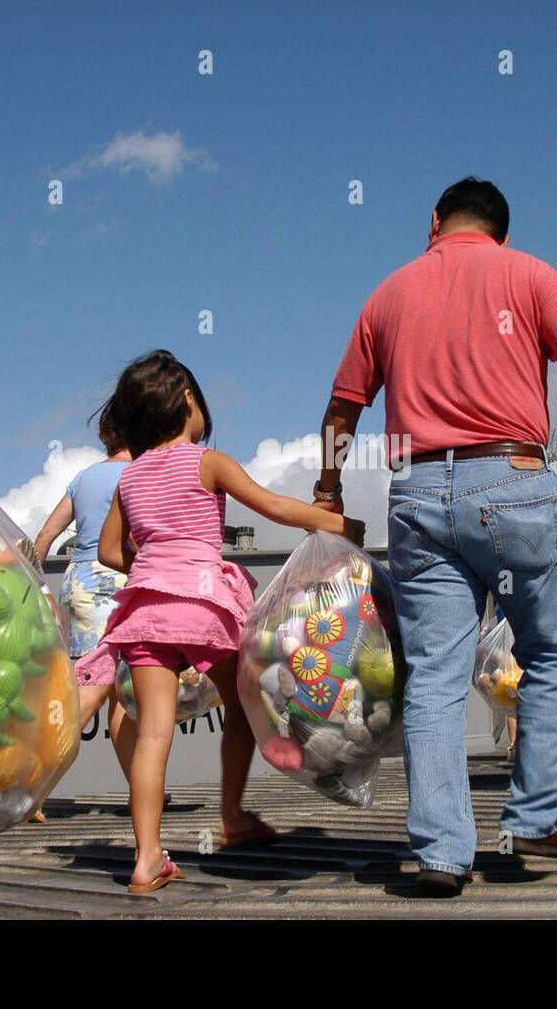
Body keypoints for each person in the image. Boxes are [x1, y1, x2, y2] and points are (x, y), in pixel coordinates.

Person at [315, 177, 557, 896]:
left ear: (434, 221)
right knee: (551, 653)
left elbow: (343, 407)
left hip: (417, 492)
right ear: (502, 233)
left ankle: (444, 853)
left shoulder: (386, 295)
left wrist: (328, 488)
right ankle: (537, 816)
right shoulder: (529, 273)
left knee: (436, 679)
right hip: (512, 485)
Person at [74, 351, 364, 892]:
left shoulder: (129, 477)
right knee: (243, 707)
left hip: (144, 612)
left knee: (153, 735)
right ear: (187, 402)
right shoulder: (207, 461)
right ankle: (232, 817)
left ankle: (147, 858)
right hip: (206, 607)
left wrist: (155, 567)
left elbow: (111, 552)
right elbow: (274, 507)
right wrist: (338, 523)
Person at [30, 409, 133, 821]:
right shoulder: (139, 474)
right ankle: (29, 789)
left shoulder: (84, 477)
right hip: (117, 581)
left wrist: (38, 587)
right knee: (90, 693)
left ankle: (141, 793)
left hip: (78, 582)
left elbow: (43, 538)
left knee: (126, 693)